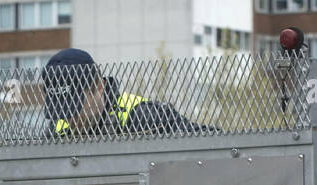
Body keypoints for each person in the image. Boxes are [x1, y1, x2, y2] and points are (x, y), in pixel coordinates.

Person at [41, 47, 199, 138]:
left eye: (74, 105)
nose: (68, 117)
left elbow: (209, 140)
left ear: (100, 87)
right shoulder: (56, 128)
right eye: (60, 107)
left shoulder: (144, 116)